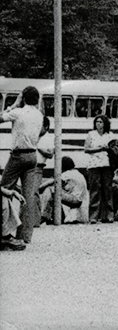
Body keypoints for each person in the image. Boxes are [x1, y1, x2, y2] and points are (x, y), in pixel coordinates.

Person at [1, 86, 44, 248]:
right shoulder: (39, 115)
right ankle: (25, 235)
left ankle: (4, 232)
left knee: (4, 190)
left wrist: (12, 105)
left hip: (18, 155)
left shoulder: (17, 112)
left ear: (23, 98)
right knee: (28, 195)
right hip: (33, 155)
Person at [84, 115, 117, 224]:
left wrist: (110, 149)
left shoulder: (110, 135)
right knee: (95, 189)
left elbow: (115, 149)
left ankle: (108, 215)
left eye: (101, 122)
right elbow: (86, 149)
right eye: (97, 122)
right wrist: (99, 149)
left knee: (107, 189)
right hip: (94, 164)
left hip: (107, 164)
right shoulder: (91, 134)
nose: (98, 124)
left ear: (105, 124)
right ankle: (93, 216)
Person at [40, 157, 90, 225]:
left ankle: (44, 216)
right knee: (55, 193)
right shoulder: (78, 173)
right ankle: (56, 217)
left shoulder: (68, 173)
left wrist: (39, 188)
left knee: (51, 190)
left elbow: (53, 181)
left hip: (76, 200)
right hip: (80, 200)